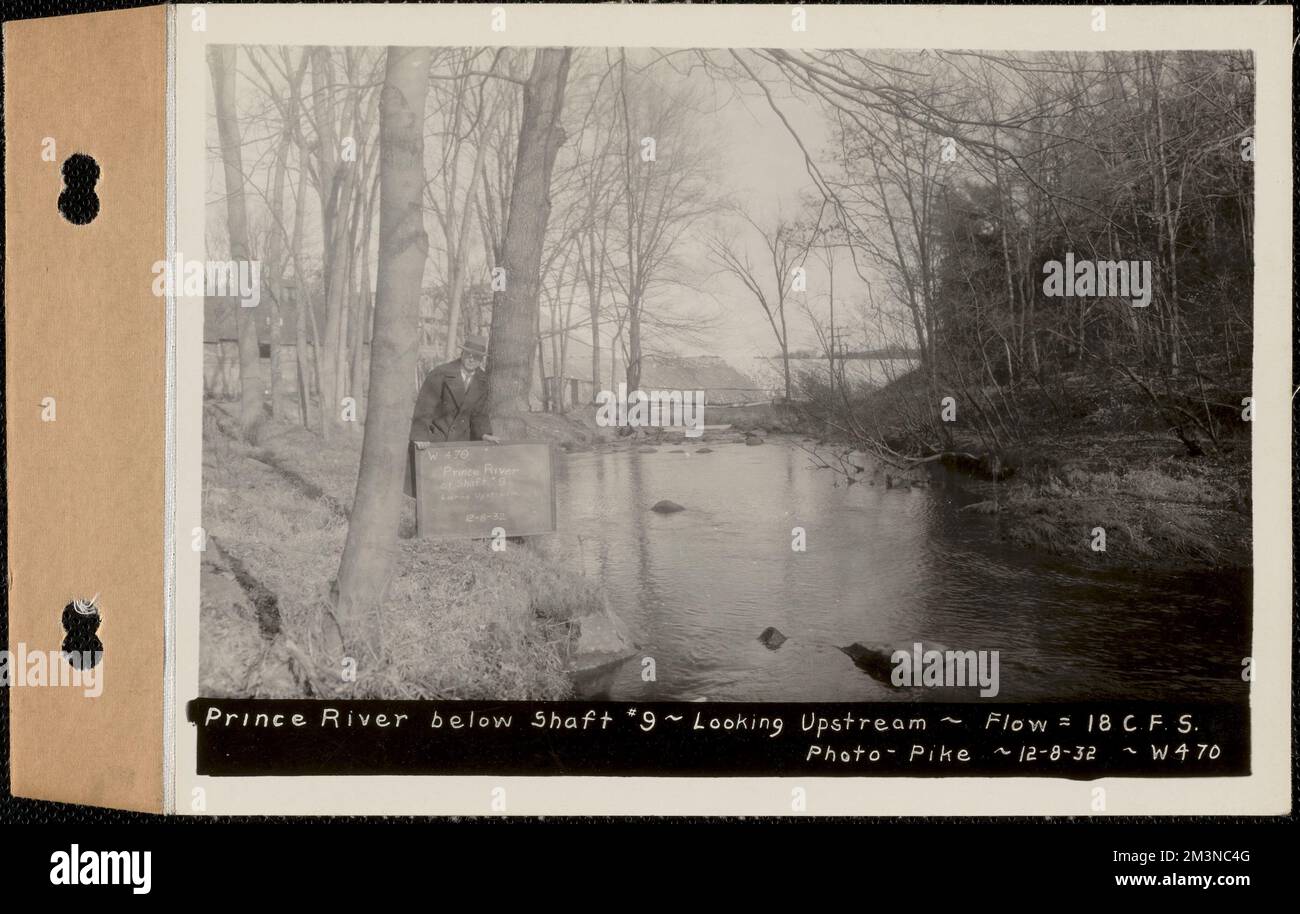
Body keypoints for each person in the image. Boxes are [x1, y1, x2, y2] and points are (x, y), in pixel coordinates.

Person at [404, 334, 499, 498]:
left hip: (462, 445)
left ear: (481, 359)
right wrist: (420, 435)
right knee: (430, 491)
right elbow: (424, 407)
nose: (471, 359)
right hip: (435, 440)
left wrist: (484, 434)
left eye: (477, 356)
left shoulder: (482, 380)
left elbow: (479, 413)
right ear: (462, 353)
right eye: (468, 354)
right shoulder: (441, 373)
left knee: (455, 492)